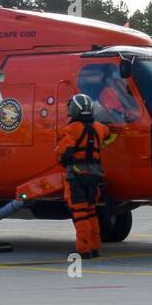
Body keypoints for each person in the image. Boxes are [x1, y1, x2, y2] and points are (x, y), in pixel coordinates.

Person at [57, 93, 115, 258]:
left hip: (77, 176)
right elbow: (109, 133)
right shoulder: (99, 127)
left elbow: (63, 153)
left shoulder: (71, 129)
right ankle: (95, 247)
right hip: (94, 176)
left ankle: (83, 249)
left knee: (80, 213)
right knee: (91, 211)